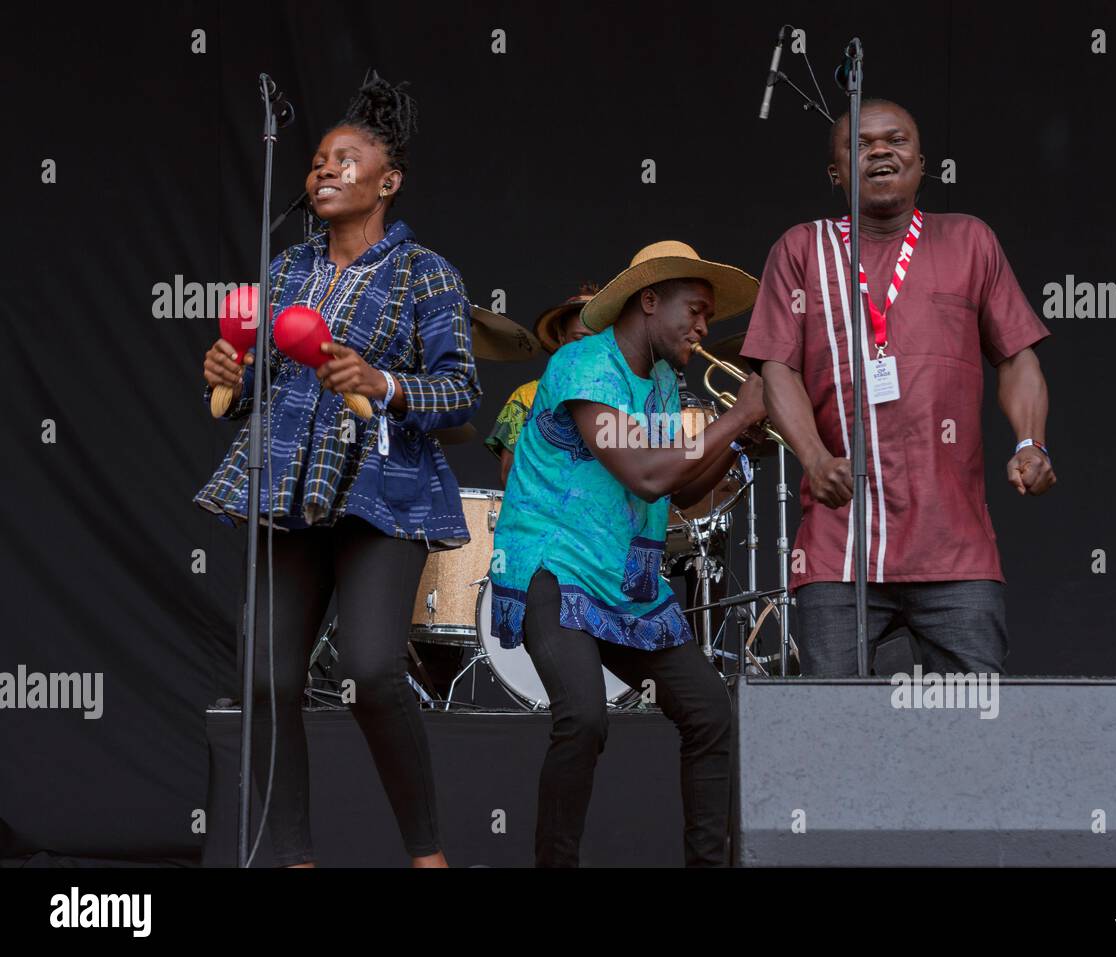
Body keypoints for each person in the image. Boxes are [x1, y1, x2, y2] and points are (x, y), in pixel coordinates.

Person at [194, 70, 481, 868]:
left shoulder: (425, 272)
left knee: (372, 670)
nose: (324, 169)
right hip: (290, 489)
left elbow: (461, 391)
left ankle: (427, 856)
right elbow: (257, 391)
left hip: (384, 495)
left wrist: (381, 381)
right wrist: (229, 373)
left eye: (345, 159)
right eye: (318, 160)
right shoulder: (286, 270)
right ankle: (296, 860)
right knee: (264, 679)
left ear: (388, 181)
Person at [741, 98, 1056, 678]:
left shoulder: (970, 239)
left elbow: (1016, 357)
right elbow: (777, 369)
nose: (881, 150)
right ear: (835, 173)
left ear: (922, 163)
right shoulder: (801, 249)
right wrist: (814, 459)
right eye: (860, 144)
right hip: (840, 544)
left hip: (954, 545)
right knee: (835, 723)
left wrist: (1030, 443)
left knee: (974, 717)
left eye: (897, 140)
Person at [488, 241, 768, 867]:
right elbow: (644, 474)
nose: (703, 327)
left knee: (710, 713)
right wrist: (736, 415)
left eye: (708, 316)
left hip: (623, 578)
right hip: (554, 563)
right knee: (584, 719)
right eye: (695, 311)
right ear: (649, 300)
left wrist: (739, 442)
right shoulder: (583, 364)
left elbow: (680, 490)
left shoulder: (663, 382)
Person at [483, 284, 599, 485]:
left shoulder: (625, 397)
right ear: (562, 338)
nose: (589, 347)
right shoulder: (527, 396)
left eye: (599, 339)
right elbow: (509, 474)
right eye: (579, 338)